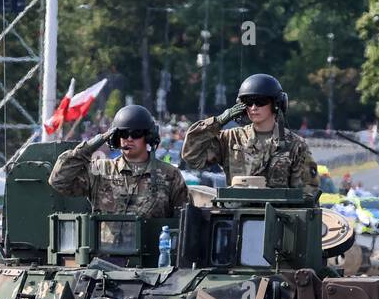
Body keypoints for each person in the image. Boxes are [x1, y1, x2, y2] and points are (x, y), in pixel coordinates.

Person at [48, 105, 188, 219]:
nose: (129, 139)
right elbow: (58, 181)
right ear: (116, 137)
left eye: (136, 133)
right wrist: (91, 145)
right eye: (123, 134)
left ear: (148, 136)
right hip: (105, 246)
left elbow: (184, 220)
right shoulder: (100, 170)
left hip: (151, 246)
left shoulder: (170, 175)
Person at [181, 74, 316, 193]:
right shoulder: (230, 139)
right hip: (236, 211)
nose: (253, 107)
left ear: (276, 104)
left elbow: (308, 191)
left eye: (261, 102)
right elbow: (191, 156)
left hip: (276, 212)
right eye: (248, 102)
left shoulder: (294, 145)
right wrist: (218, 122)